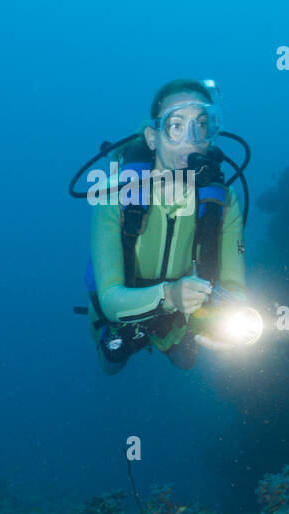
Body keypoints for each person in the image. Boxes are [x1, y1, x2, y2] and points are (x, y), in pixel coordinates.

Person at [86, 79, 247, 373]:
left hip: (180, 316)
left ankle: (167, 339)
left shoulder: (225, 202)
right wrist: (169, 295)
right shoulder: (113, 194)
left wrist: (239, 318)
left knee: (187, 363)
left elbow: (235, 289)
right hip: (121, 316)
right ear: (152, 137)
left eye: (201, 125)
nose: (191, 139)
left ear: (212, 134)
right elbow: (110, 299)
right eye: (176, 125)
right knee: (110, 366)